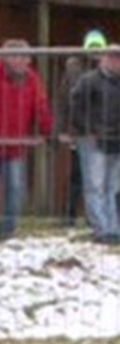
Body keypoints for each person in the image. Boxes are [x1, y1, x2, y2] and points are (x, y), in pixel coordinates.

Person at [0, 39, 53, 243]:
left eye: (24, 57)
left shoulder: (32, 79)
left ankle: (7, 229)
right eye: (15, 56)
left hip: (15, 144)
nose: (20, 61)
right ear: (5, 58)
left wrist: (48, 129)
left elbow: (41, 106)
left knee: (15, 189)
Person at [69, 45, 120, 244]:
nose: (117, 62)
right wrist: (87, 130)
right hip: (94, 139)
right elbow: (76, 106)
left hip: (115, 140)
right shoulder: (89, 81)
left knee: (111, 186)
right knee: (95, 185)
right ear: (104, 59)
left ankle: (112, 228)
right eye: (113, 57)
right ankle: (101, 228)